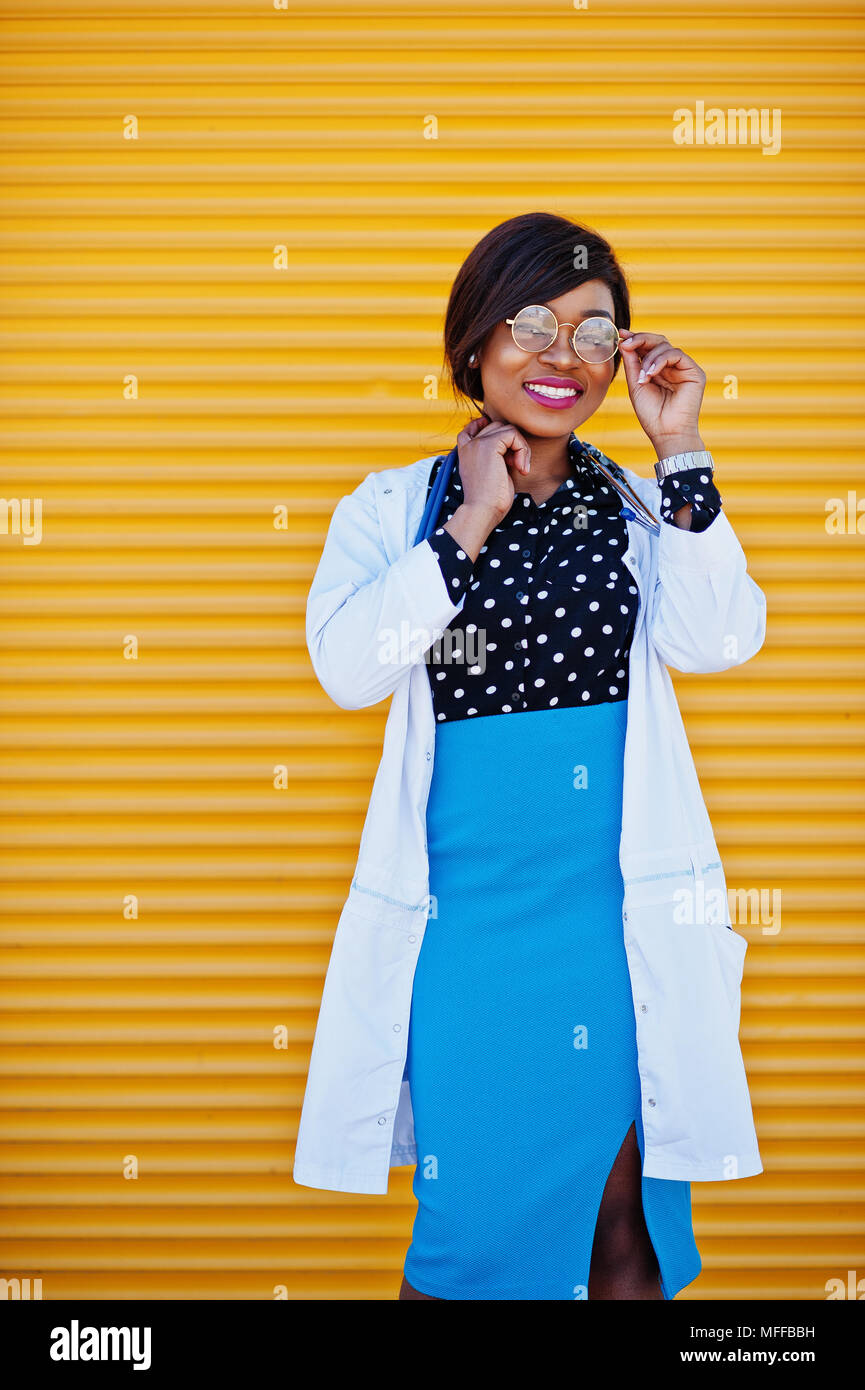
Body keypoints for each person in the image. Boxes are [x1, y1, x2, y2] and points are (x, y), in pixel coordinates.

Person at [293, 211, 767, 1301]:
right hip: (466, 924)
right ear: (474, 342)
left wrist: (680, 446)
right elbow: (349, 670)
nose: (561, 356)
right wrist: (467, 523)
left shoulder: (635, 505)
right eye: (530, 324)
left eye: (594, 334)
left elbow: (718, 637)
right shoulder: (390, 511)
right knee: (468, 1236)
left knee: (621, 1227)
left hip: (610, 910)